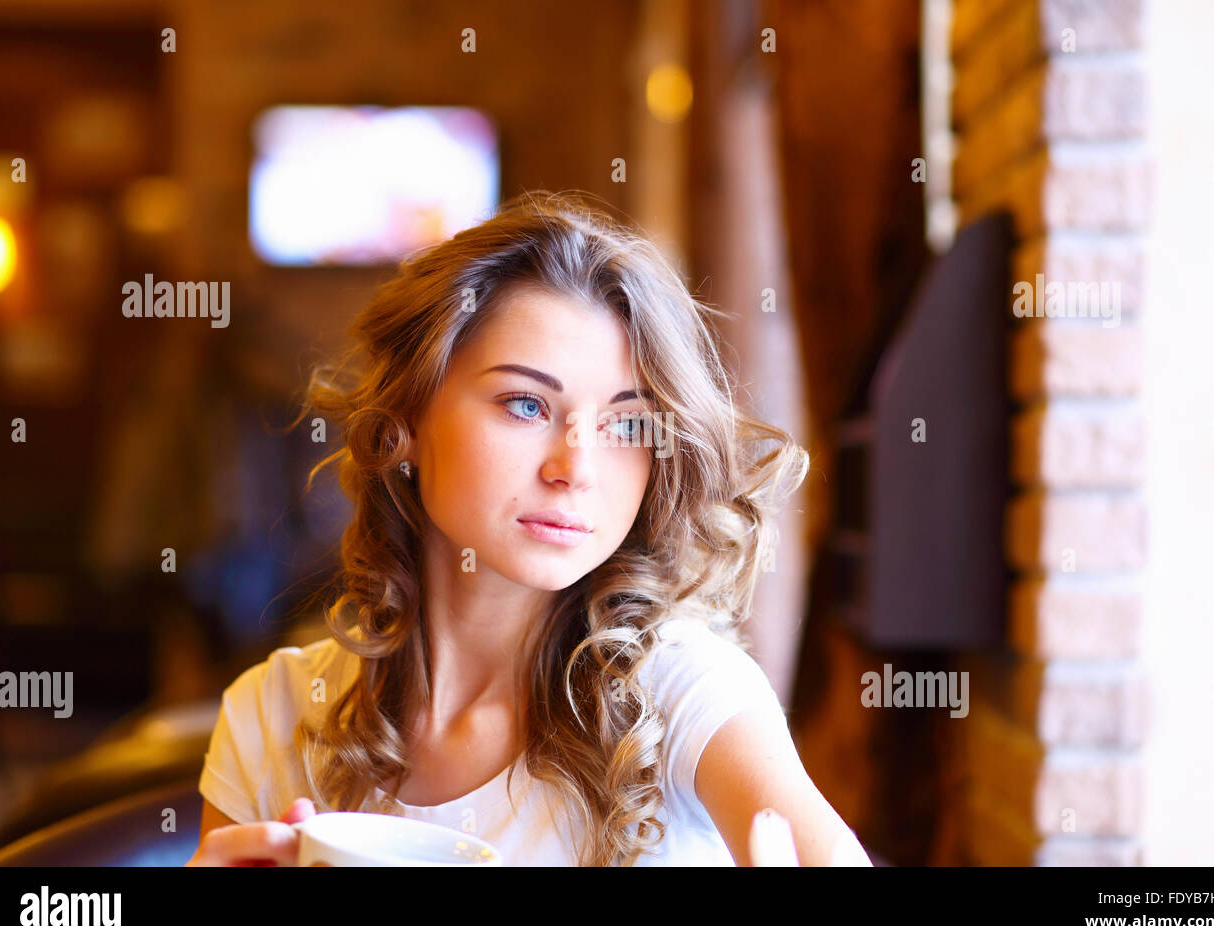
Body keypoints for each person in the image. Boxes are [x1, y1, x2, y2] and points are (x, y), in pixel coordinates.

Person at [186, 190, 872, 866]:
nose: (575, 468)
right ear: (405, 424)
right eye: (525, 404)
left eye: (626, 424)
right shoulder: (275, 714)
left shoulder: (683, 691)